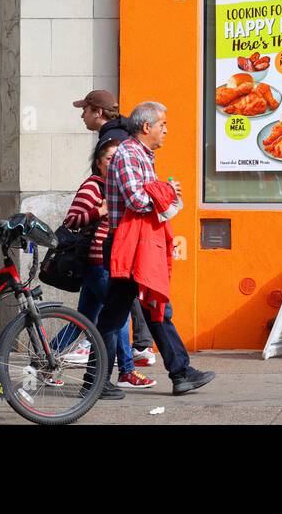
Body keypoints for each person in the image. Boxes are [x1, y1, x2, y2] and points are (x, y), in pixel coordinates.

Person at [92, 102, 215, 399]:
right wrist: (167, 194)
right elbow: (138, 200)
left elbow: (151, 199)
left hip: (140, 242)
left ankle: (180, 373)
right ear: (147, 127)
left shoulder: (143, 155)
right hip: (128, 243)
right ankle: (97, 381)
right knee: (119, 315)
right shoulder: (128, 154)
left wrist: (164, 194)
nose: (166, 131)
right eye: (163, 125)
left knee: (154, 308)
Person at [56, 130, 155, 389]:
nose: (114, 162)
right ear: (99, 161)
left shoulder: (117, 186)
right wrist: (98, 210)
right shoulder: (93, 187)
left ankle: (43, 361)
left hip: (107, 262)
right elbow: (71, 221)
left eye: (117, 158)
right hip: (96, 261)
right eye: (109, 158)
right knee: (118, 316)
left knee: (85, 319)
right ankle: (126, 370)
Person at [71, 88, 157, 370]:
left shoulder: (113, 140)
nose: (82, 115)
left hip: (112, 244)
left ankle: (125, 365)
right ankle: (118, 368)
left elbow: (129, 197)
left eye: (85, 110)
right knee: (96, 314)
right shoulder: (120, 135)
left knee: (112, 309)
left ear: (98, 112)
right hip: (103, 251)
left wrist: (102, 210)